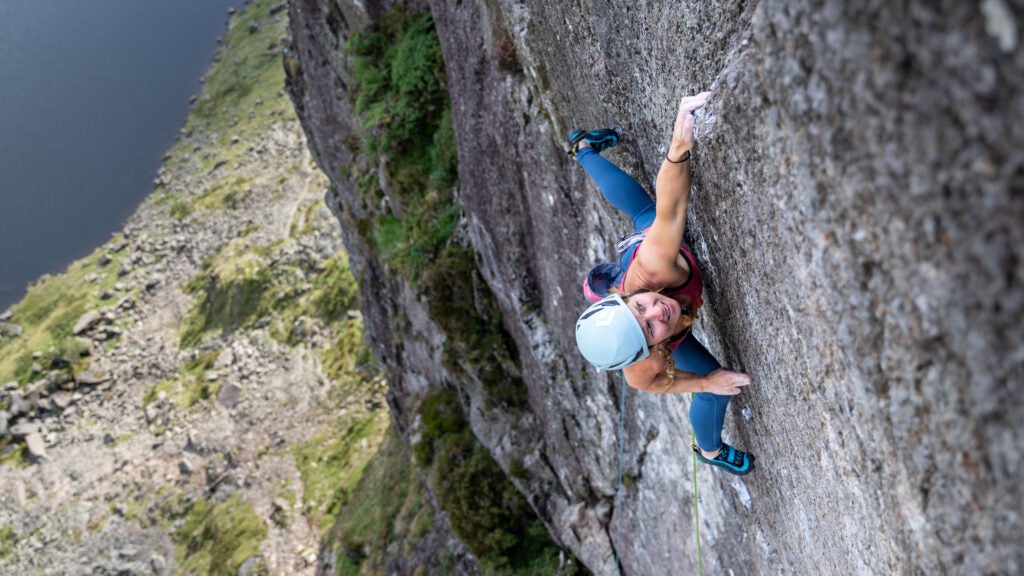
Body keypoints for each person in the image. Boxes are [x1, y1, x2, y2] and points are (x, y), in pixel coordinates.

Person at [571, 92, 755, 475]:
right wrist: (706, 383)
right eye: (650, 325)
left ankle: (584, 149)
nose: (658, 309)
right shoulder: (642, 362)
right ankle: (710, 452)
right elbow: (651, 384)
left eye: (640, 307)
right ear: (649, 347)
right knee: (716, 389)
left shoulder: (654, 271)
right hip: (664, 331)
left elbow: (671, 208)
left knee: (647, 213)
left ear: (629, 298)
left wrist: (678, 147)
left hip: (639, 255)